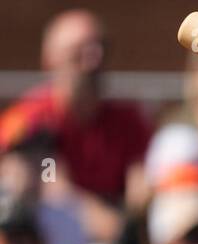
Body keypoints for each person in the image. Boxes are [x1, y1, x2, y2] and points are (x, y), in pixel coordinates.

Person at [0, 9, 151, 209]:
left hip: (116, 225)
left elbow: (141, 182)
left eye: (100, 49)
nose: (93, 62)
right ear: (50, 61)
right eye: (79, 52)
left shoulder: (128, 120)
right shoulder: (28, 118)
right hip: (46, 228)